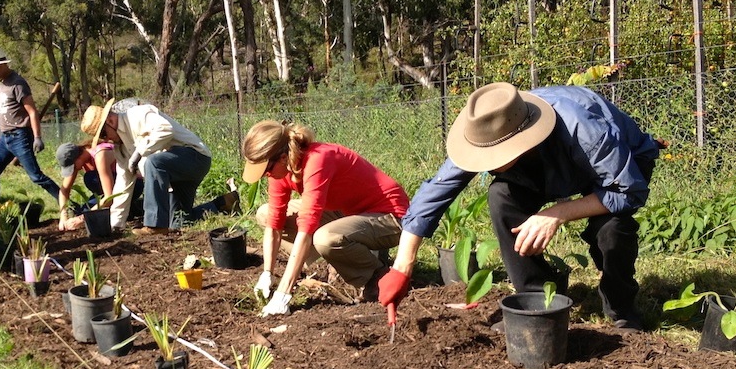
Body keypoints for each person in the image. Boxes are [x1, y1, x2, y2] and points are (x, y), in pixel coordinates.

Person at [380, 82, 661, 331]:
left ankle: (622, 309)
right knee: (501, 195)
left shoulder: (582, 129)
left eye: (493, 156)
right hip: (544, 166)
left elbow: (628, 192)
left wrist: (556, 213)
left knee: (612, 229)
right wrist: (402, 267)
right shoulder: (488, 128)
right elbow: (435, 192)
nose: (485, 164)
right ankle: (535, 300)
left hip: (615, 172)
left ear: (520, 139)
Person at [241, 120, 409, 316]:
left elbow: (307, 227)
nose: (266, 176)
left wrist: (283, 294)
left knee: (325, 238)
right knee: (264, 212)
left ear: (283, 157)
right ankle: (338, 259)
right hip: (347, 212)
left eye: (267, 170)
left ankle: (376, 276)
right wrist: (267, 274)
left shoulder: (318, 160)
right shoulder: (281, 171)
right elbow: (274, 223)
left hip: (389, 215)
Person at [79, 98, 237, 234]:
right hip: (174, 175)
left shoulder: (138, 115)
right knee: (180, 221)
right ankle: (224, 203)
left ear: (110, 121)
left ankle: (154, 225)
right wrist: (115, 225)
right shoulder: (120, 148)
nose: (106, 140)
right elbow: (123, 185)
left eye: (104, 135)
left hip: (195, 158)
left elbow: (165, 129)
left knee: (152, 162)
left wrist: (139, 152)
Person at [0, 47, 60, 208]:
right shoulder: (3, 83)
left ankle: (67, 204)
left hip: (19, 136)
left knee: (36, 177)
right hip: (5, 138)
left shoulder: (17, 83)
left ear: (4, 64)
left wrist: (37, 137)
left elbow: (32, 111)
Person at [54, 141, 144, 231]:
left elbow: (110, 197)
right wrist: (63, 216)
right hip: (109, 191)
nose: (73, 170)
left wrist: (82, 218)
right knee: (83, 211)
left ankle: (130, 206)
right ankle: (131, 208)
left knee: (90, 178)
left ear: (78, 156)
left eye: (72, 166)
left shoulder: (100, 155)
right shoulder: (80, 161)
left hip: (132, 185)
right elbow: (64, 190)